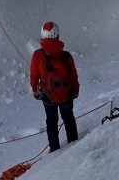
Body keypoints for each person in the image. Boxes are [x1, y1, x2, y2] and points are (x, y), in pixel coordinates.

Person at [30, 21, 80, 152]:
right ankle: (74, 142)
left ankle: (55, 149)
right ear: (57, 35)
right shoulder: (66, 56)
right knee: (68, 117)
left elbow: (34, 75)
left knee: (51, 122)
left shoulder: (37, 55)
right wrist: (75, 91)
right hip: (66, 94)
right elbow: (73, 75)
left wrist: (35, 90)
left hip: (48, 96)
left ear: (42, 35)